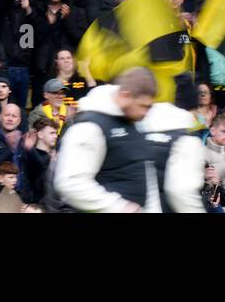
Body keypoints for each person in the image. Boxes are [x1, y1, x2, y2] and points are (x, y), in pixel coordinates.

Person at [50, 67, 158, 212]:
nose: (146, 112)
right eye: (143, 106)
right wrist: (121, 207)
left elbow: (146, 174)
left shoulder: (134, 123)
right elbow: (70, 182)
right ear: (125, 96)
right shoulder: (90, 126)